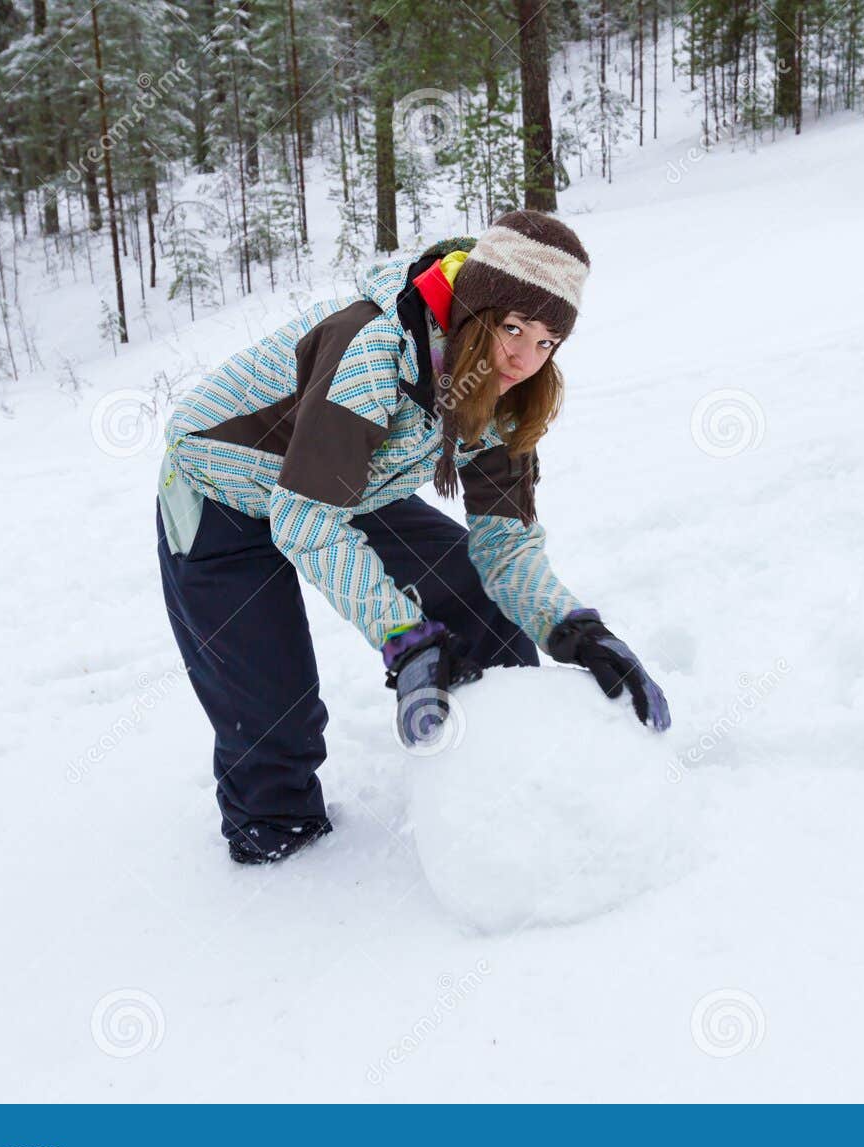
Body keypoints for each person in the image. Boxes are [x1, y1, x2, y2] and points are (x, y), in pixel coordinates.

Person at [156, 210, 672, 865]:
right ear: (475, 312)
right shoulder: (370, 352)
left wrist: (576, 630)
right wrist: (405, 639)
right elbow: (305, 523)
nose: (524, 359)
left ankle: (502, 757)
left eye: (547, 342)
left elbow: (505, 547)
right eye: (514, 328)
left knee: (477, 594)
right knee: (273, 717)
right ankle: (278, 849)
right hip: (219, 489)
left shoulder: (505, 393)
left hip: (342, 482)